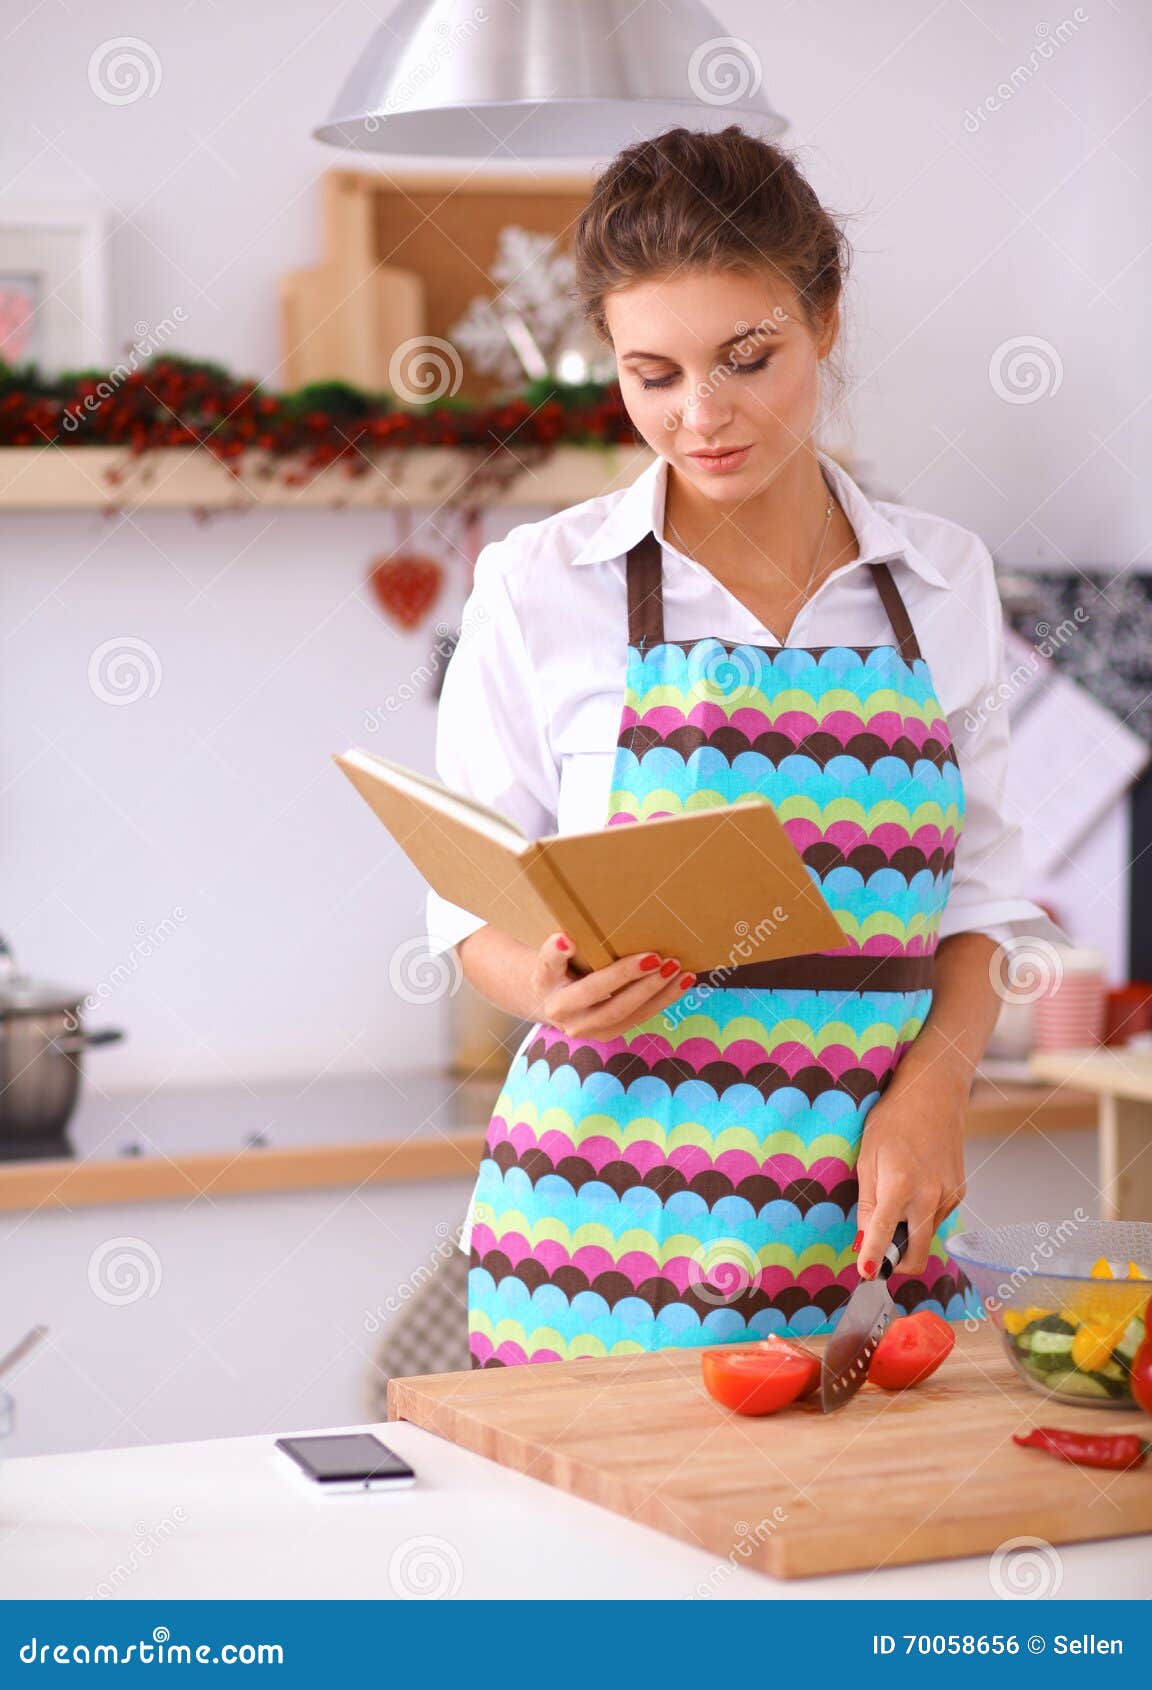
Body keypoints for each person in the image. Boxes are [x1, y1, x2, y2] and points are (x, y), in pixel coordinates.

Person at [425, 125, 1062, 1369]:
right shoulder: (542, 584)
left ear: (824, 318)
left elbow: (981, 894)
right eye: (651, 375)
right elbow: (465, 900)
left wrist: (936, 1084)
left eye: (746, 358)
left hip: (865, 1198)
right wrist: (542, 986)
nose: (700, 418)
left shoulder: (940, 580)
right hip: (595, 1218)